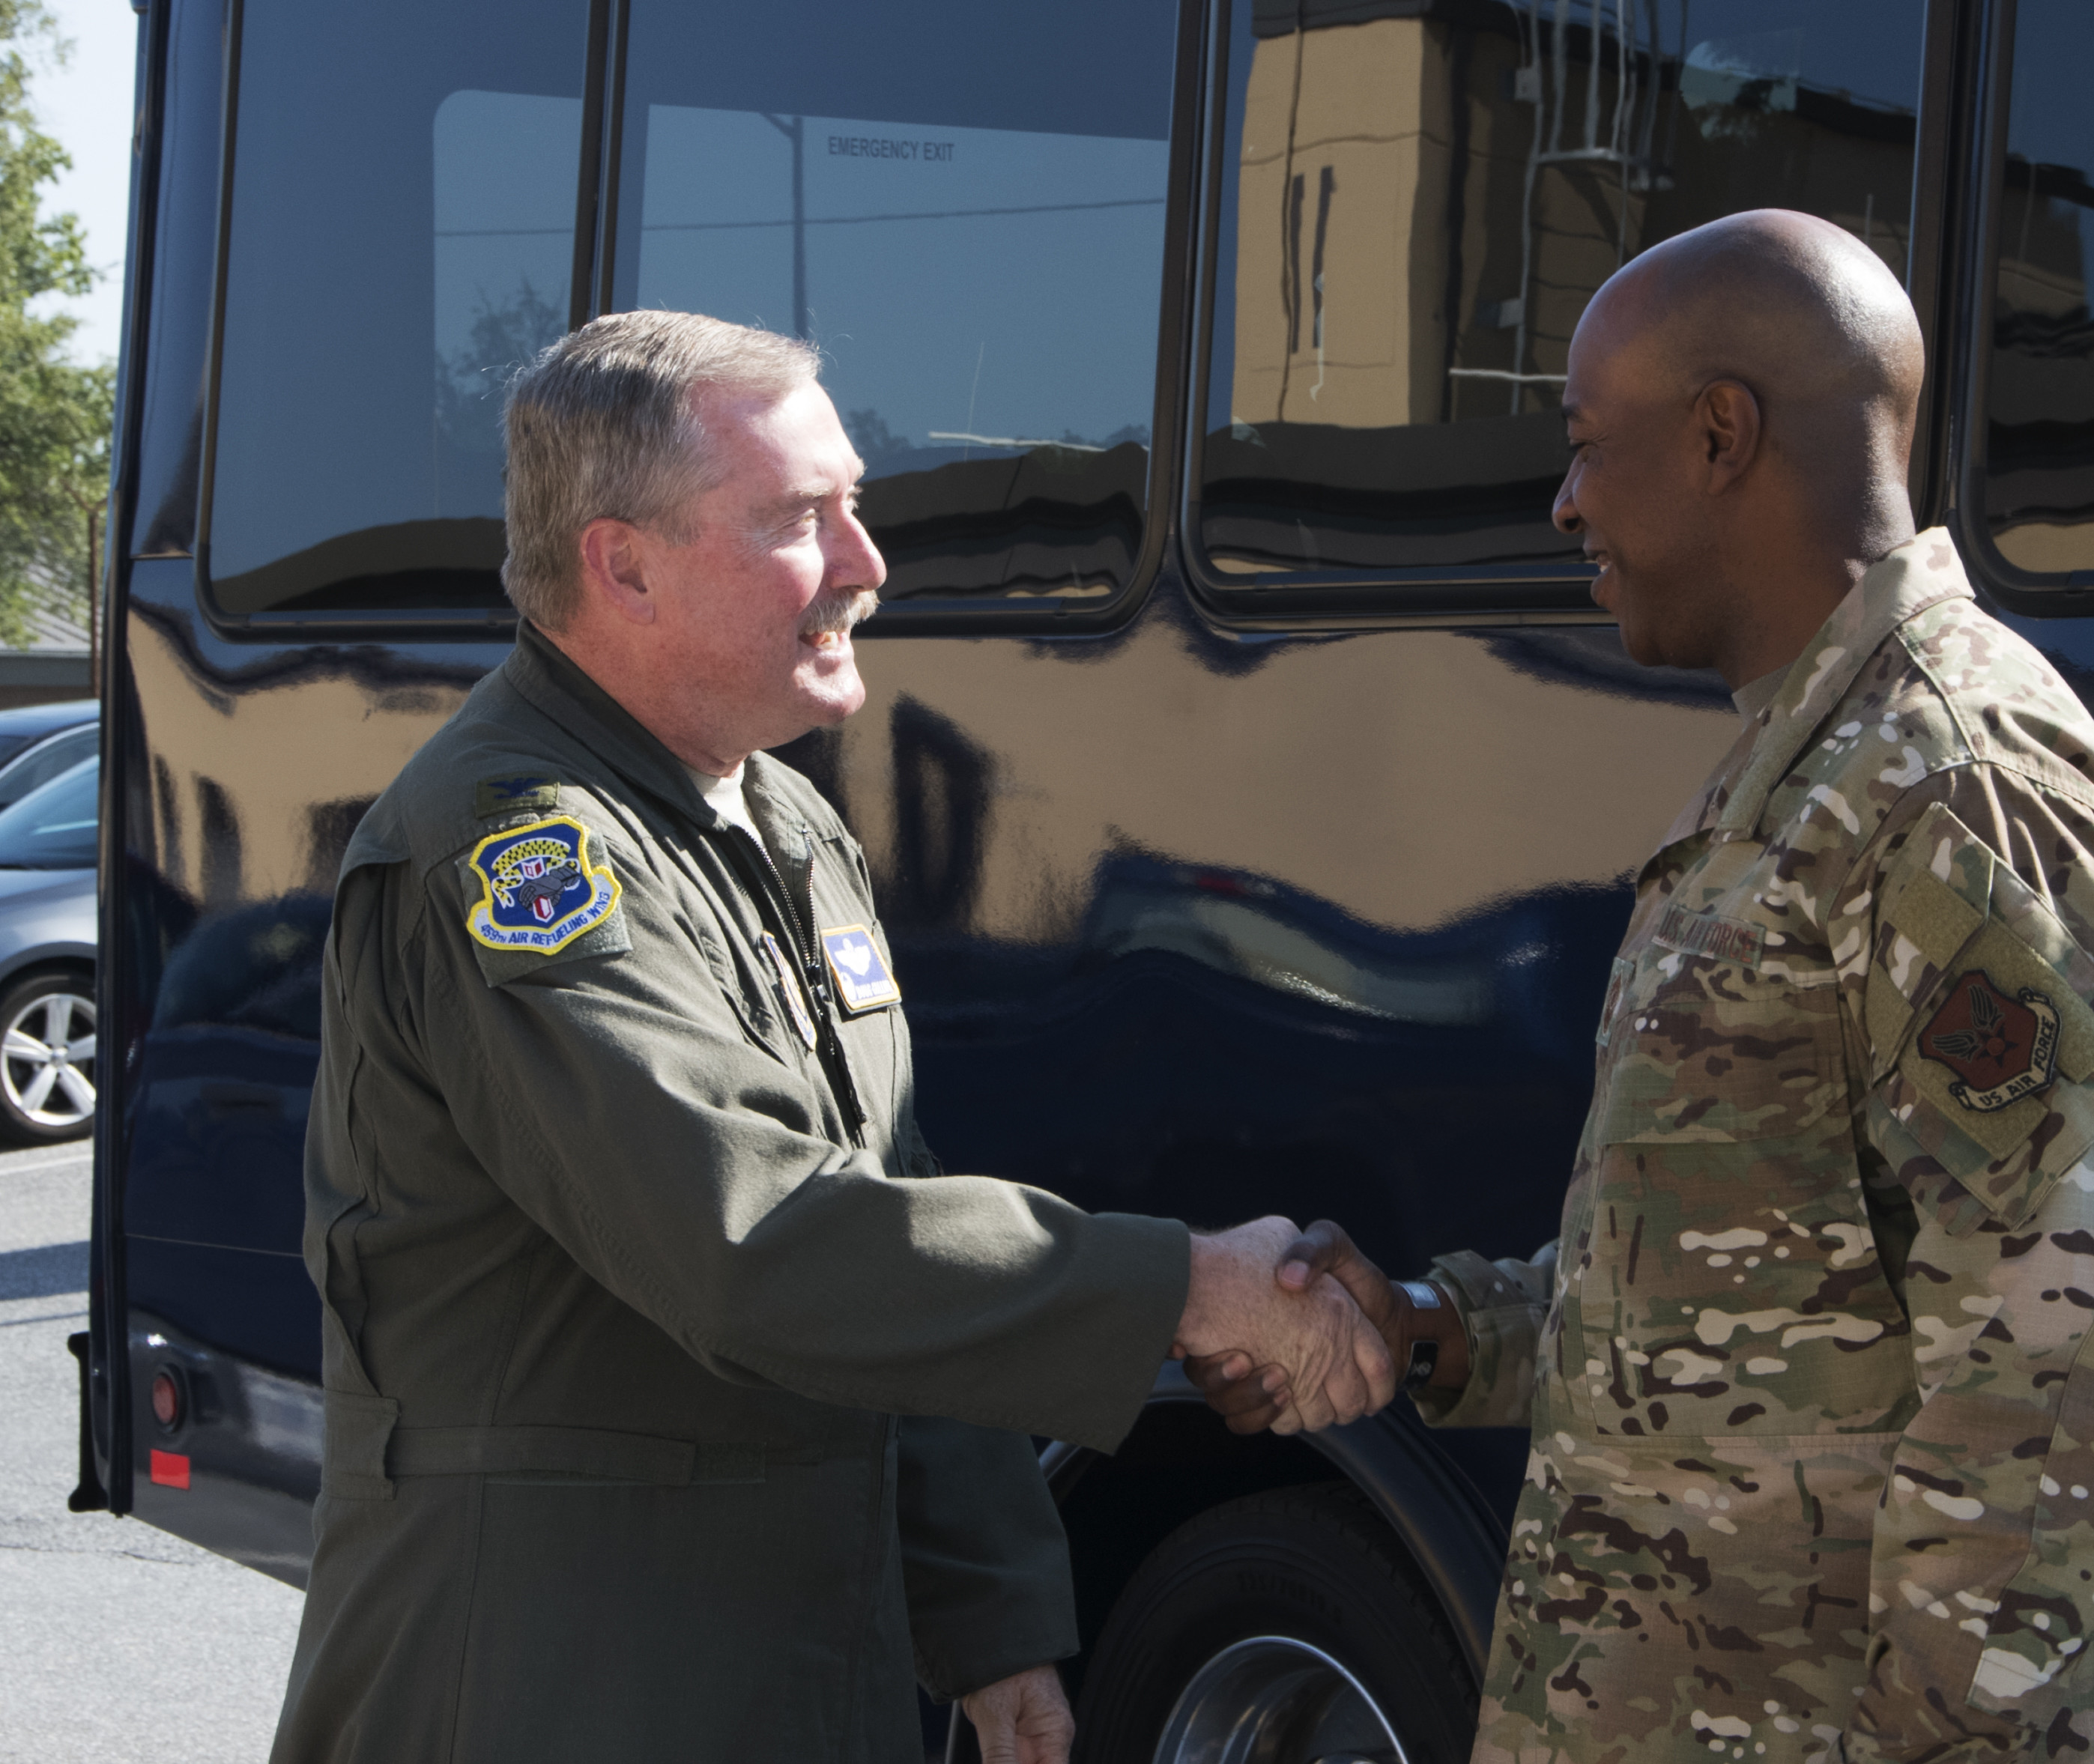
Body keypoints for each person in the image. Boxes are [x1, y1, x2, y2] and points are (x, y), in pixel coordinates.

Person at [269, 311, 1389, 1764]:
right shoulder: (515, 848)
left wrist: (987, 1615)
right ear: (625, 566)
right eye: (802, 519)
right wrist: (1181, 1284)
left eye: (854, 506)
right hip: (546, 1676)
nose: (866, 562)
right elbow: (752, 1240)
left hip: (777, 1661)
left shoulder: (778, 815)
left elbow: (887, 1211)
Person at [1193, 210, 2094, 1764]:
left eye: (1583, 446)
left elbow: (2079, 1366)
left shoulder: (1951, 784)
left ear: (1718, 435)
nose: (1564, 503)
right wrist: (1428, 1325)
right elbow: (1741, 1287)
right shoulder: (1818, 762)